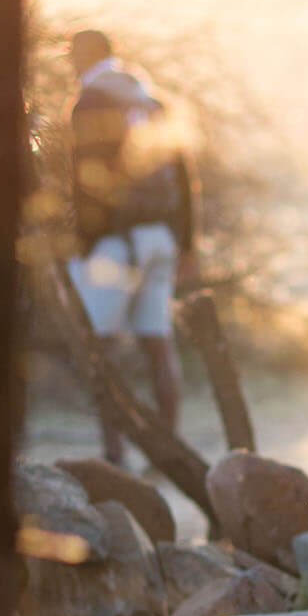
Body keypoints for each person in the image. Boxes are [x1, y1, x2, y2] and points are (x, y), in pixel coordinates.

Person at [64, 28, 199, 466]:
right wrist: (187, 244)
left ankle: (114, 454)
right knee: (157, 345)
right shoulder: (153, 100)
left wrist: (84, 243)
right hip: (160, 237)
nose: (68, 63)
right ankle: (169, 453)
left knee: (98, 351)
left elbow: (87, 179)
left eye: (71, 55)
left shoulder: (90, 101)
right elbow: (182, 175)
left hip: (116, 241)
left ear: (84, 56)